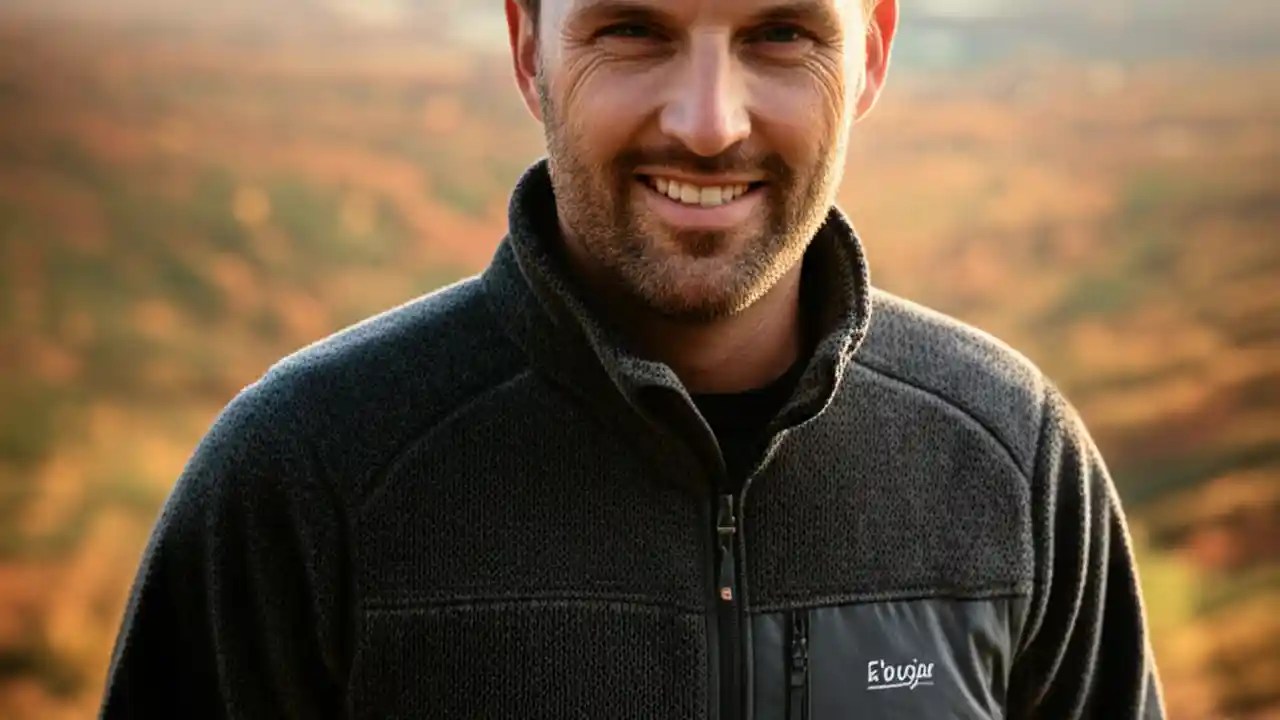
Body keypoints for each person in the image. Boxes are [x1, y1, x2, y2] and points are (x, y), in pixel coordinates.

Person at [101, 0, 1165, 717]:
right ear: (528, 44)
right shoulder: (307, 476)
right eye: (632, 28)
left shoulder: (1011, 464)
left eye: (781, 33)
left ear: (873, 49)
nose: (708, 123)